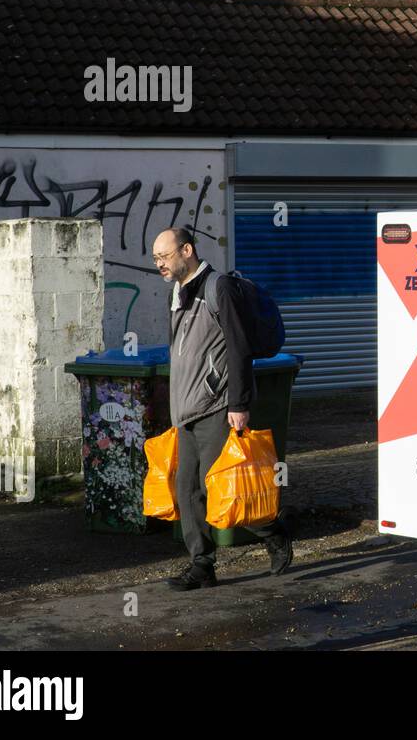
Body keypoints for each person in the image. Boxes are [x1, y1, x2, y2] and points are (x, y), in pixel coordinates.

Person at [152, 227, 293, 590]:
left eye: (164, 257)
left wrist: (239, 403)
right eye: (155, 259)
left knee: (219, 488)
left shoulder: (219, 288)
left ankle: (272, 531)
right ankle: (202, 565)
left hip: (217, 407)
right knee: (186, 491)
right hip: (185, 412)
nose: (159, 265)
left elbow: (239, 347)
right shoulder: (177, 293)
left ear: (186, 250)